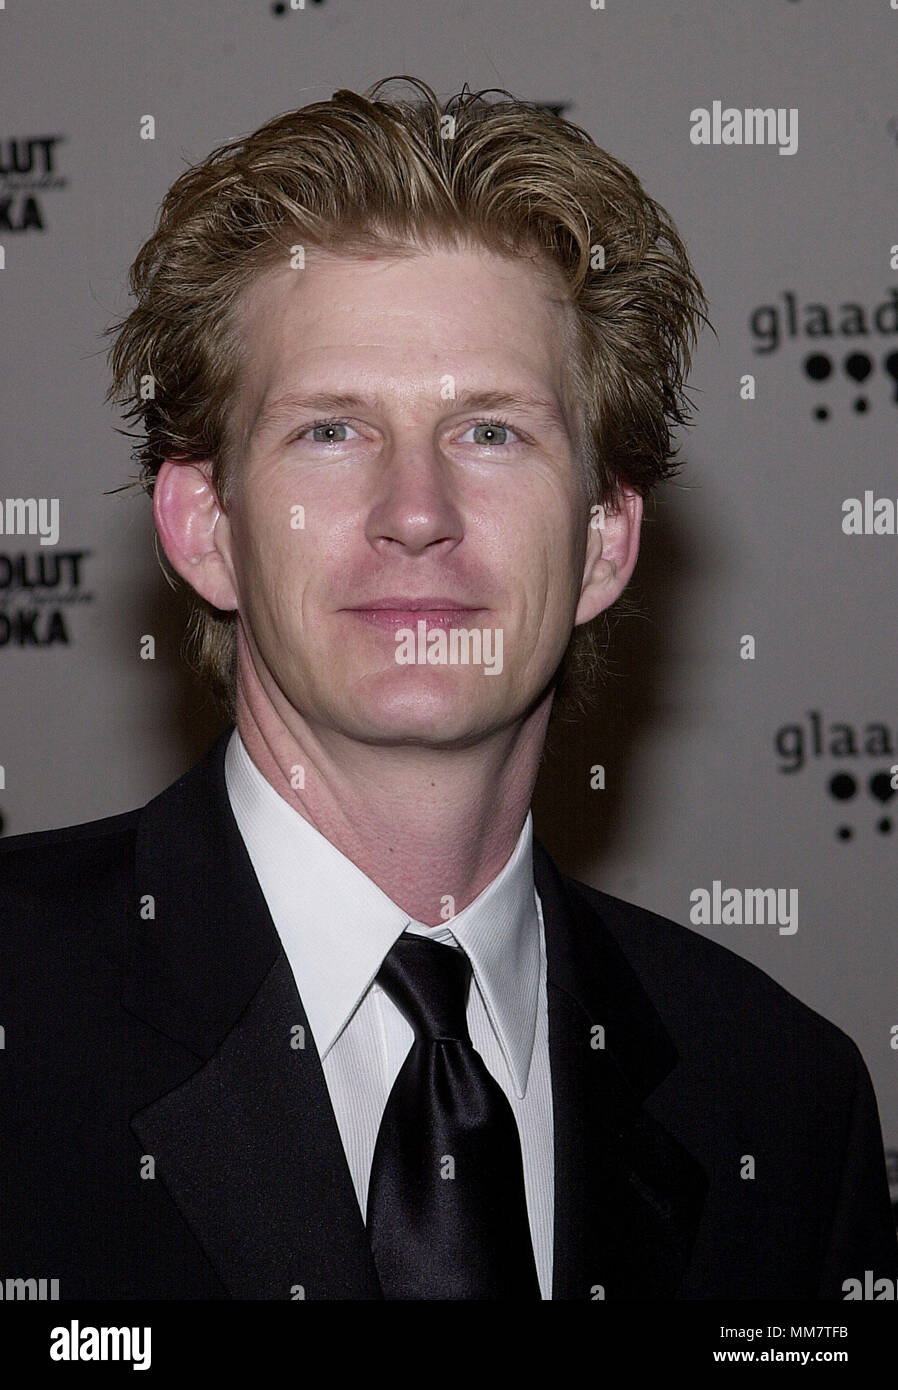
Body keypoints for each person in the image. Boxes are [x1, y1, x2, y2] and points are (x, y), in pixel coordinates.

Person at [1, 77, 895, 1302]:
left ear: (601, 541)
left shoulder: (784, 1101)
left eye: (491, 431)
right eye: (331, 430)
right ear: (205, 527)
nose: (415, 514)